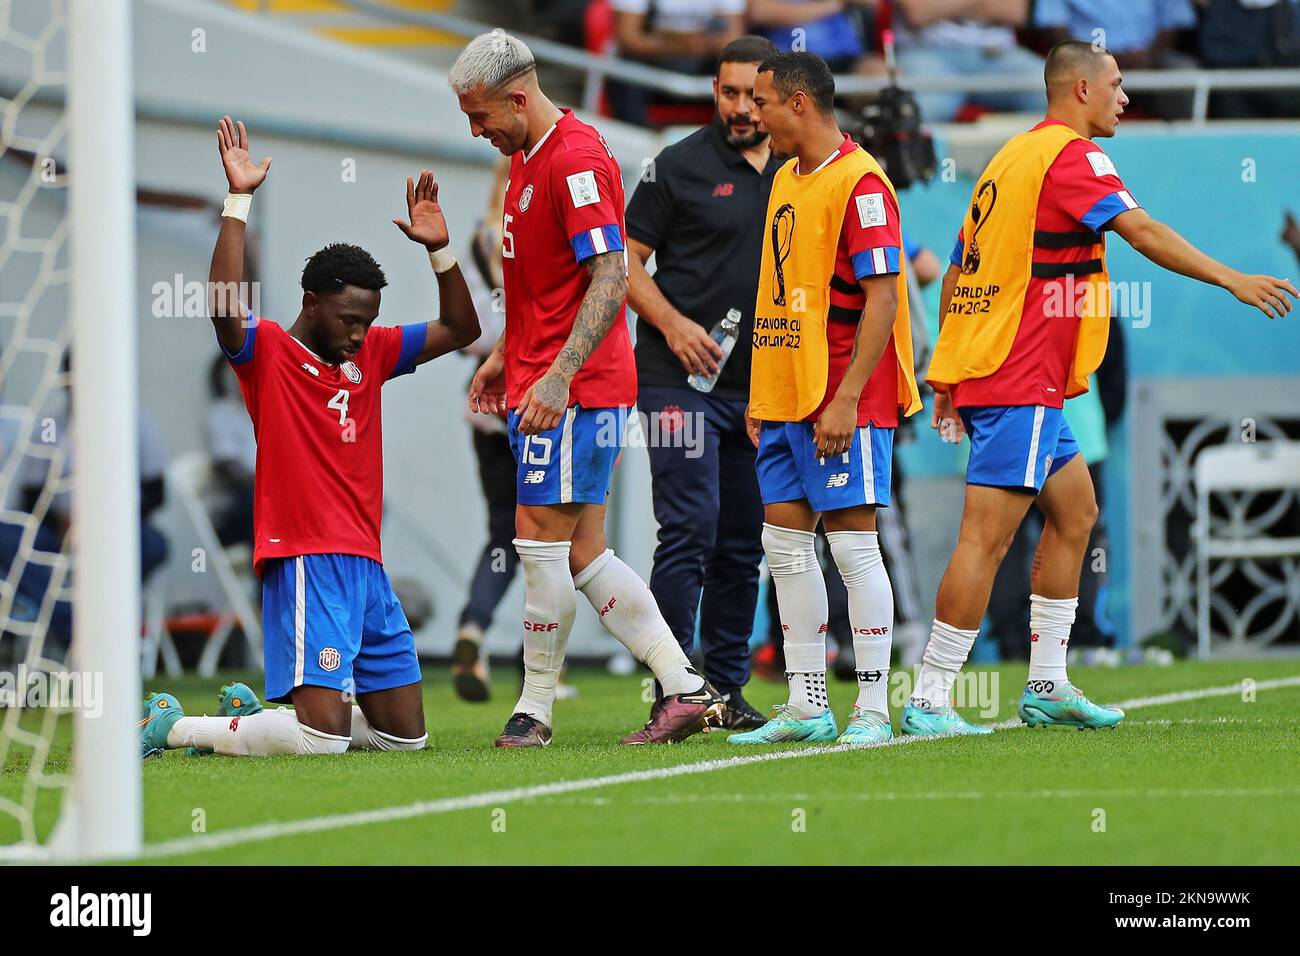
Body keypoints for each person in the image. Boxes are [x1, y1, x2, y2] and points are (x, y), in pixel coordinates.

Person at [908, 40, 1296, 736]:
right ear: (1079, 88)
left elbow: (965, 271)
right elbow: (1141, 231)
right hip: (1019, 376)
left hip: (1017, 377)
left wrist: (948, 373)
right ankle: (930, 697)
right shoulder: (1074, 156)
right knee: (985, 540)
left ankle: (1048, 684)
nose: (1125, 97)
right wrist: (1233, 278)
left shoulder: (1011, 159)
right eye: (1116, 85)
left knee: (1077, 513)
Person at [139, 116, 481, 758]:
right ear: (312, 301)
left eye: (368, 321)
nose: (359, 332)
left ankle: (249, 717)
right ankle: (176, 725)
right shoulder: (265, 350)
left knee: (403, 743)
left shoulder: (373, 353)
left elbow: (462, 328)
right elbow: (222, 304)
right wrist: (238, 199)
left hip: (366, 562)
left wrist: (440, 250)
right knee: (321, 741)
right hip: (303, 555)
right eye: (349, 318)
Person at [451, 30, 726, 747]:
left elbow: (611, 275)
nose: (476, 131)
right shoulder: (527, 159)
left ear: (518, 96)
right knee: (581, 553)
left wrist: (560, 373)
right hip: (548, 380)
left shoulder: (573, 160)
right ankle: (686, 687)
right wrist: (505, 354)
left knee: (537, 543)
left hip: (574, 391)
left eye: (481, 116)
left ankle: (535, 709)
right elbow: (548, 285)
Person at [731, 50, 922, 746]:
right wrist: (763, 389)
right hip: (785, 395)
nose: (754, 113)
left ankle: (872, 707)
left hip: (845, 398)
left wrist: (844, 399)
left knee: (854, 550)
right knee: (783, 547)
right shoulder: (785, 177)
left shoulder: (863, 185)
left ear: (800, 104)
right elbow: (777, 294)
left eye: (763, 100)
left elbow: (883, 299)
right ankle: (808, 704)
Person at [625, 34, 780, 732]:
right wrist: (673, 324)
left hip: (760, 387)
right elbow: (621, 263)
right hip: (674, 378)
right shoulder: (676, 166)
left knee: (745, 539)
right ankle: (674, 684)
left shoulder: (803, 169)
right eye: (728, 93)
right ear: (713, 92)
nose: (741, 107)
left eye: (754, 94)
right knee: (690, 524)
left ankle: (725, 688)